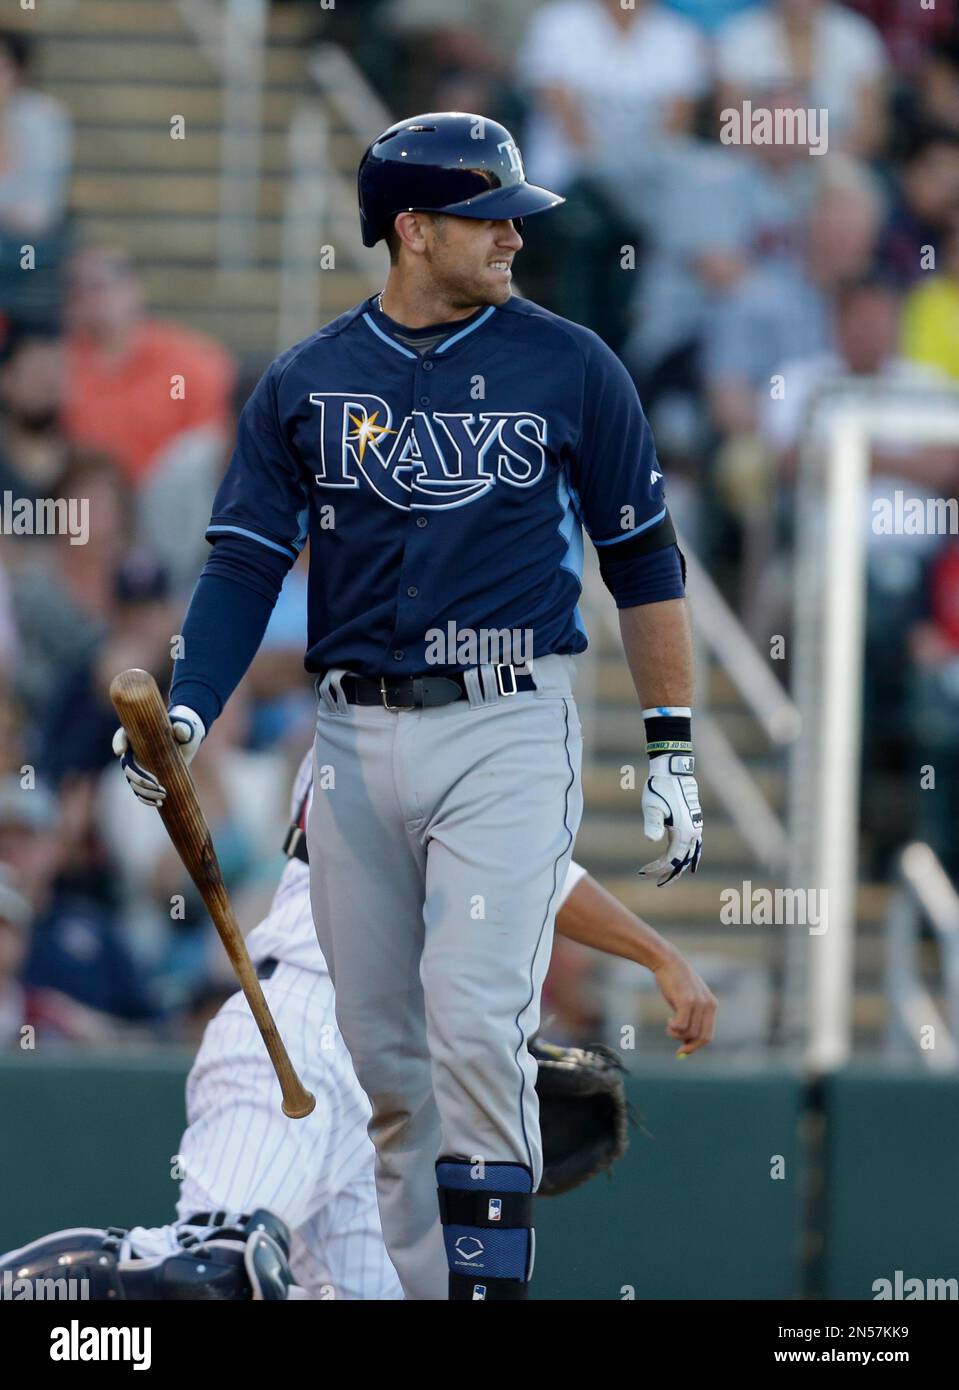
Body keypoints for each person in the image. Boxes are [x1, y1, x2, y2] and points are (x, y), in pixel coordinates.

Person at [113, 112, 703, 1301]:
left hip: (507, 698)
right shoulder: (312, 378)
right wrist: (192, 709)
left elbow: (644, 562)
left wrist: (671, 743)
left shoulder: (569, 363)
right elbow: (238, 562)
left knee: (474, 1029)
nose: (512, 239)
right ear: (411, 227)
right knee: (297, 1190)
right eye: (486, 217)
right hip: (353, 736)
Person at [2, 752, 715, 1299]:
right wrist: (658, 954)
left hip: (396, 1072)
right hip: (307, 1024)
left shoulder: (486, 715)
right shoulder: (382, 689)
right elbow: (527, 873)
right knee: (213, 1272)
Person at [63, 247, 236, 487]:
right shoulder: (59, 364)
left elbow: (210, 453)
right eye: (76, 288)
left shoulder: (192, 362)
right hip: (84, 508)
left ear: (134, 288)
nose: (87, 297)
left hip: (172, 507)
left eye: (98, 285)